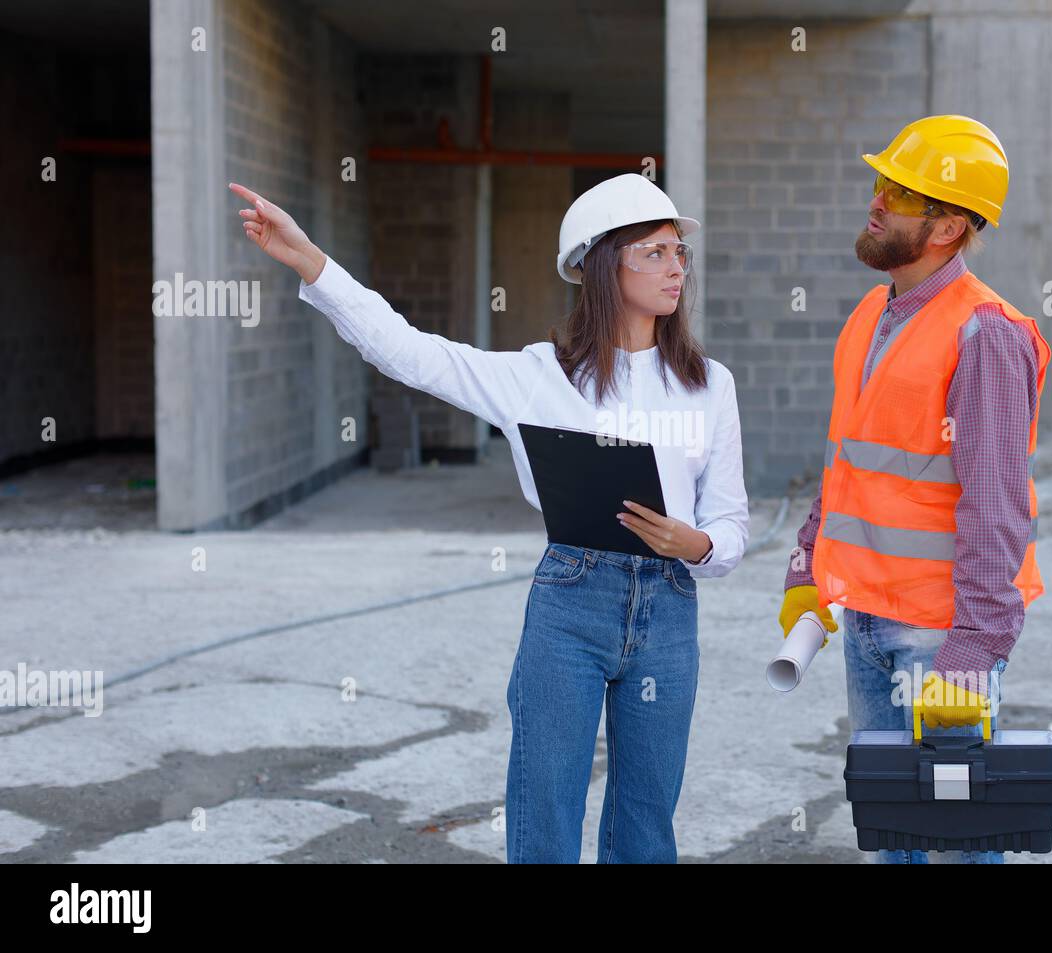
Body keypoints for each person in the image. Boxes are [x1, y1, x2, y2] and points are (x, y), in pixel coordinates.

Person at [229, 173, 749, 863]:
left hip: (669, 614)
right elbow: (411, 352)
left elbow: (733, 521)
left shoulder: (709, 384)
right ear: (602, 265)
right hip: (570, 605)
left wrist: (699, 542)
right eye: (653, 251)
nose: (676, 266)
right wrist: (309, 262)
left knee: (646, 824)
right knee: (544, 811)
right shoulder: (540, 376)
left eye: (678, 251)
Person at [776, 115, 1052, 864]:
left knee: (959, 843)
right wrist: (811, 561)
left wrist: (975, 645)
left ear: (948, 224)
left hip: (940, 633)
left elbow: (997, 508)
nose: (876, 201)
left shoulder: (984, 332)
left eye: (899, 192)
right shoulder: (872, 313)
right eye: (881, 183)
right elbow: (848, 458)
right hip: (867, 616)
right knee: (890, 833)